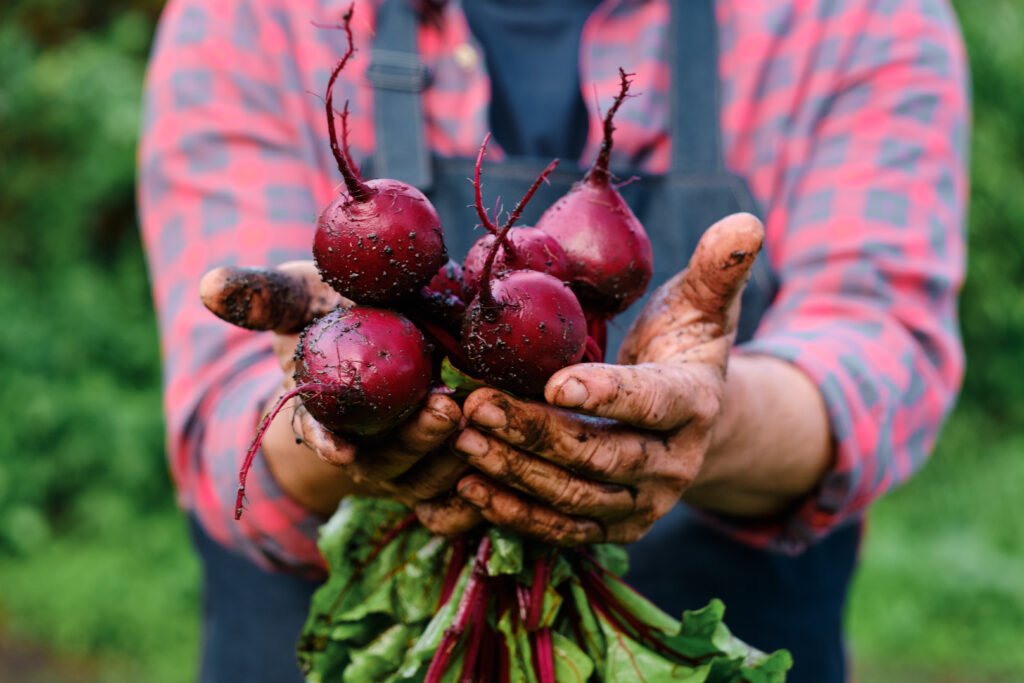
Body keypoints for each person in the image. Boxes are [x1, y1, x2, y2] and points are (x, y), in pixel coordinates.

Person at [138, 0, 969, 681]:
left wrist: (710, 419)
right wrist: (341, 425)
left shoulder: (854, 13)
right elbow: (222, 420)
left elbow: (882, 345)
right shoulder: (251, 12)